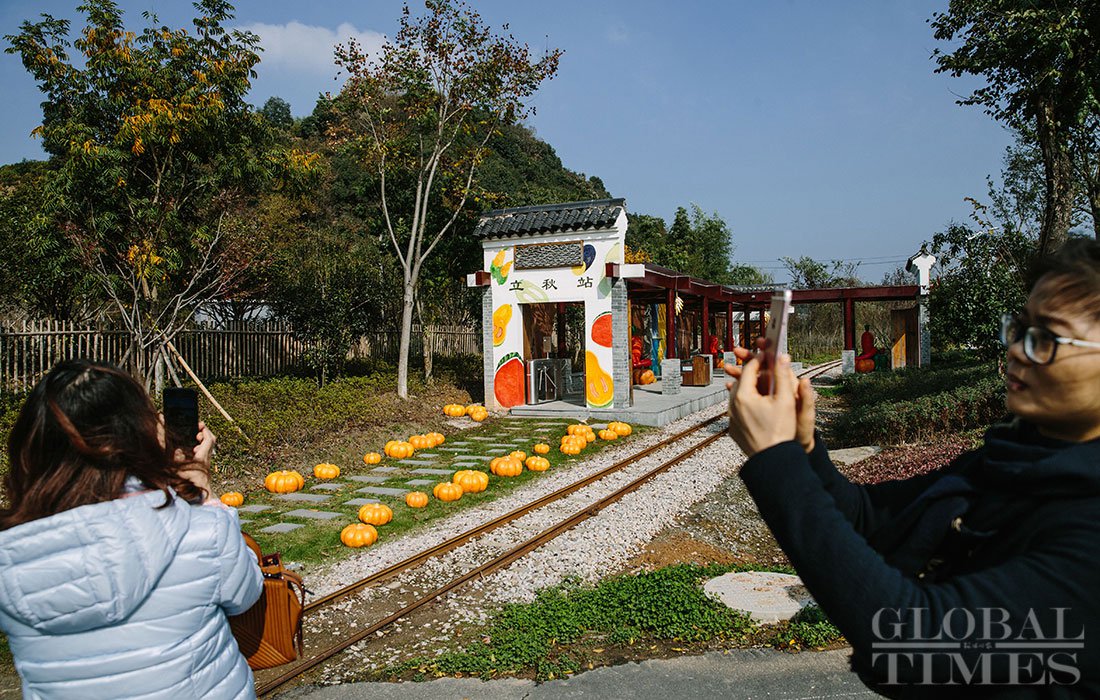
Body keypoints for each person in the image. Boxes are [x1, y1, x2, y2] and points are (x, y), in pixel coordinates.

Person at [725, 237, 1100, 696]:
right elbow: (871, 519)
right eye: (1020, 329)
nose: (1019, 350)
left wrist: (775, 460)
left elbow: (909, 639)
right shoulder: (1011, 459)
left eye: (1047, 338)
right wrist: (803, 448)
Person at [0, 360, 262, 699]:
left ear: (31, 446)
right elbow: (246, 594)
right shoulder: (202, 532)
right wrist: (199, 486)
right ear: (139, 433)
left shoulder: (9, 559)